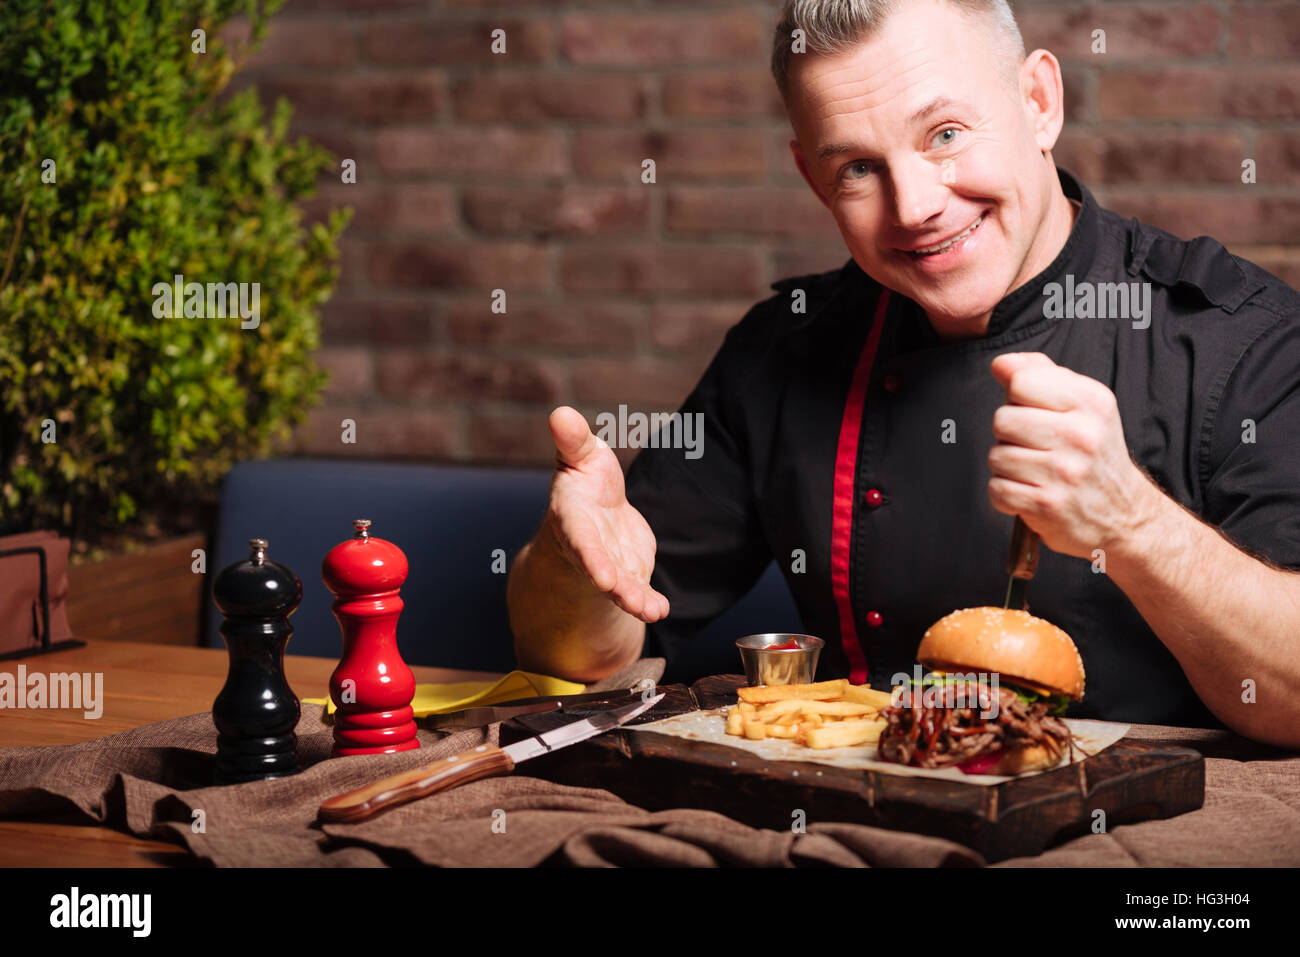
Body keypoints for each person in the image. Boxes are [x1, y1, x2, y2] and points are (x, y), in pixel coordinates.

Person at [507, 0, 1300, 747]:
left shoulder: (1241, 338)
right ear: (814, 178)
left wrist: (1135, 526)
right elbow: (590, 659)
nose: (915, 205)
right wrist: (571, 569)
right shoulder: (782, 351)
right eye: (857, 167)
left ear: (1038, 101)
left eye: (946, 133)